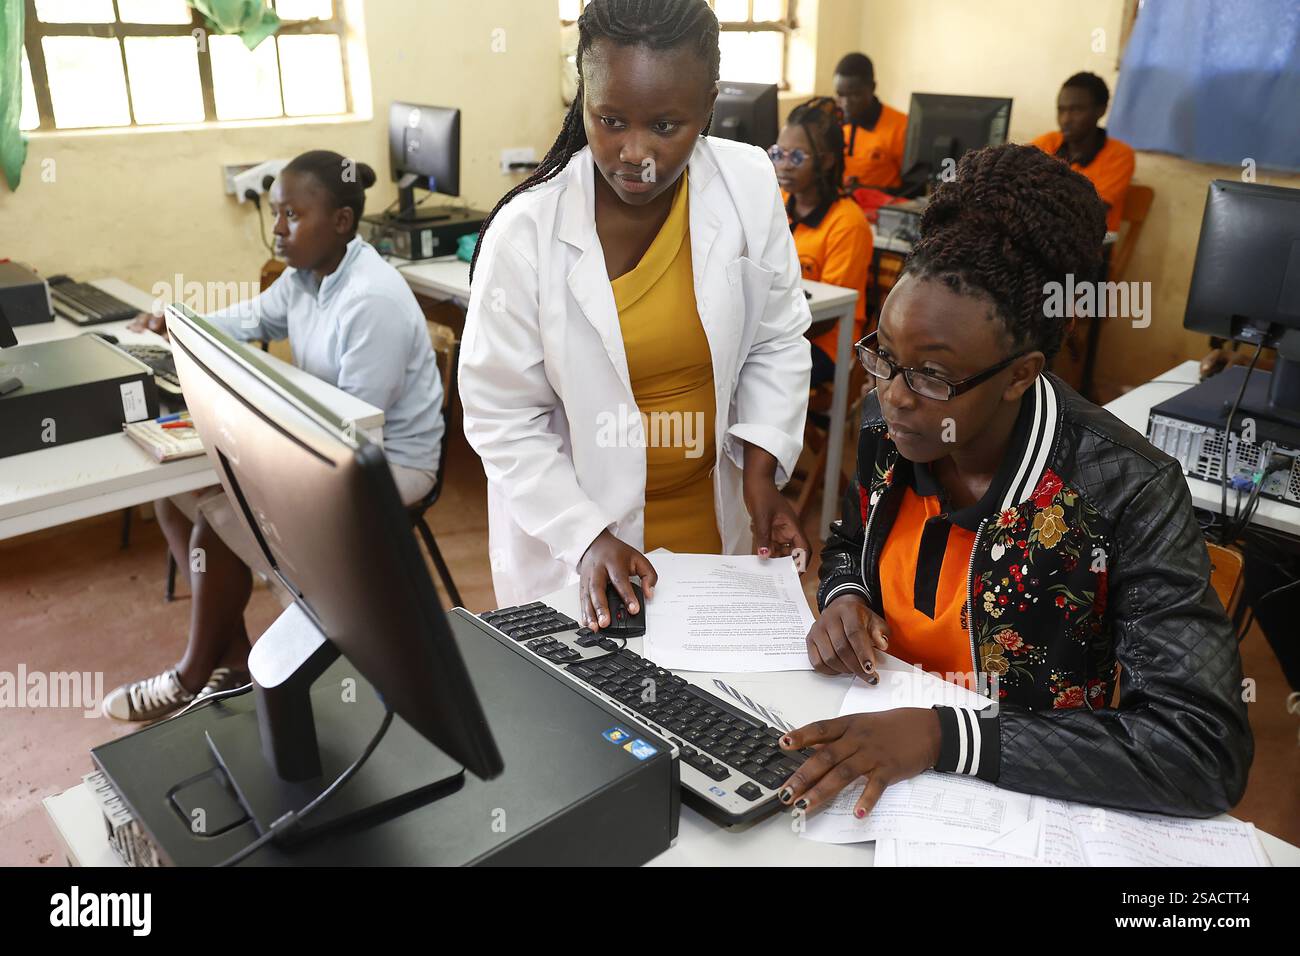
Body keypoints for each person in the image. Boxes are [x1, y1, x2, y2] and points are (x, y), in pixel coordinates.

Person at [774, 143, 1252, 819]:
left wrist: (948, 737)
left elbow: (1201, 750)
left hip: (1018, 798)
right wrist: (845, 594)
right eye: (885, 354)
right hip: (879, 752)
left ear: (1022, 375)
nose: (896, 395)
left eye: (932, 374)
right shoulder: (892, 418)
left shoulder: (1125, 488)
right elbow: (851, 539)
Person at [460, 0, 812, 627]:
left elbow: (777, 338)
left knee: (714, 718)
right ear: (584, 97)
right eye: (611, 120)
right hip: (581, 548)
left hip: (712, 527)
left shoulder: (746, 182)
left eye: (666, 125)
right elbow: (501, 416)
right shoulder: (526, 233)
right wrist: (588, 536)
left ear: (709, 105)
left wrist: (761, 472)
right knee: (593, 719)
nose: (635, 153)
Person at [103, 150, 445, 722]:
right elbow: (254, 319)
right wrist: (180, 321)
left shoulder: (370, 300)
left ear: (339, 222)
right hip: (325, 439)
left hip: (391, 466)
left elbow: (353, 433)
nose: (278, 230)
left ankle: (191, 676)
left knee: (213, 515)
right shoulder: (307, 276)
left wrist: (253, 437)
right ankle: (232, 661)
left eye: (291, 216)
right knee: (171, 498)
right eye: (276, 214)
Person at [772, 97, 873, 387]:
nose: (784, 166)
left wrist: (762, 337)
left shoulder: (847, 224)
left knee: (749, 375)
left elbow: (827, 318)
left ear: (827, 161)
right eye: (779, 154)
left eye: (798, 157)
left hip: (825, 345)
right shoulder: (776, 202)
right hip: (779, 333)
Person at [1030, 72, 1135, 233]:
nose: (1065, 119)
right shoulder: (1047, 143)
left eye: (1076, 110)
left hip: (1089, 246)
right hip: (1043, 234)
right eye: (1061, 110)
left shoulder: (1119, 155)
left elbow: (1090, 210)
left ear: (1101, 110)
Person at [832, 52, 908, 192]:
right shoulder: (831, 122)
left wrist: (865, 192)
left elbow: (914, 189)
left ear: (872, 87)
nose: (846, 103)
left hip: (882, 210)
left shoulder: (902, 127)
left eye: (855, 95)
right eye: (840, 95)